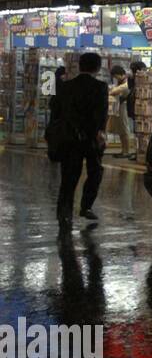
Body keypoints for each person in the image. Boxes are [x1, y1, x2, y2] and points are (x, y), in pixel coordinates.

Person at [53, 52, 109, 227]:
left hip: (70, 137)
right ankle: (86, 206)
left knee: (69, 177)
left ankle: (64, 212)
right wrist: (100, 133)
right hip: (91, 137)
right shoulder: (100, 87)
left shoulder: (66, 86)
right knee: (95, 172)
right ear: (98, 68)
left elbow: (55, 109)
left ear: (80, 66)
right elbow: (101, 113)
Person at [107, 65, 132, 158]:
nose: (115, 78)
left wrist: (112, 90)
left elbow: (115, 91)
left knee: (124, 130)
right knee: (121, 131)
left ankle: (126, 151)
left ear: (120, 74)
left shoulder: (126, 83)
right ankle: (124, 150)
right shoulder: (121, 82)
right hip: (119, 108)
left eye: (115, 76)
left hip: (123, 109)